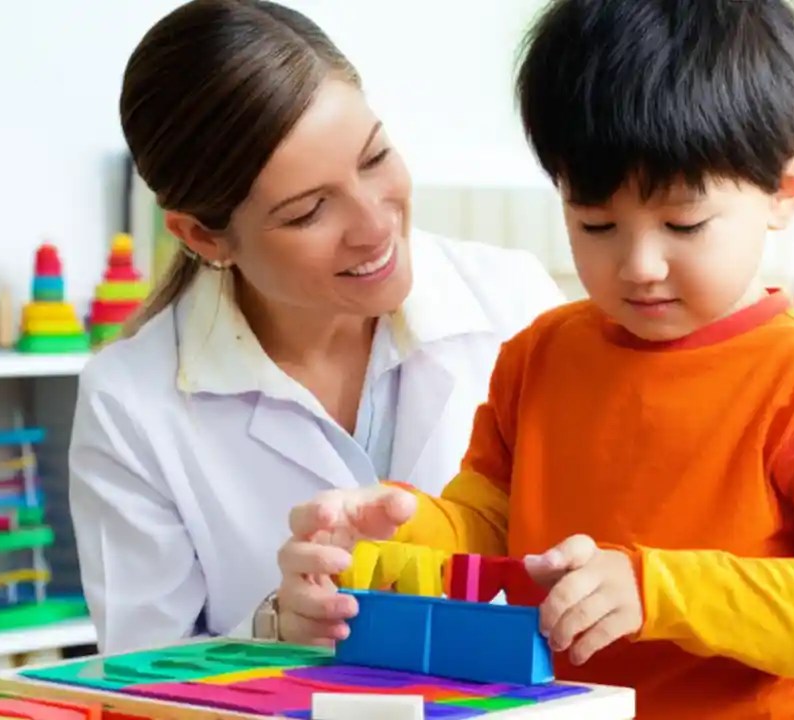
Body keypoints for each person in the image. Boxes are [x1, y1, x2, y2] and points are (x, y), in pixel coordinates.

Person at [274, 1, 794, 718]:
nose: (639, 264)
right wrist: (397, 534)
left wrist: (654, 592)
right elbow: (484, 535)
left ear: (786, 190)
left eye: (683, 223)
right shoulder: (540, 356)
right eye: (597, 223)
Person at [67, 0, 564, 655]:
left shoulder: (513, 303)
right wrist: (277, 628)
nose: (374, 225)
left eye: (375, 157)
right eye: (307, 213)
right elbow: (144, 673)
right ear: (202, 236)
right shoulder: (130, 400)